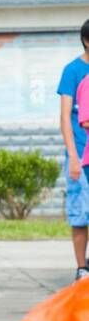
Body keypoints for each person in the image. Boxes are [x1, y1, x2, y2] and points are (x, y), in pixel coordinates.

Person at [56, 19, 89, 281]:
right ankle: (81, 267)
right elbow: (65, 117)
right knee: (80, 213)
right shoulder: (73, 71)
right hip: (81, 154)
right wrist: (73, 158)